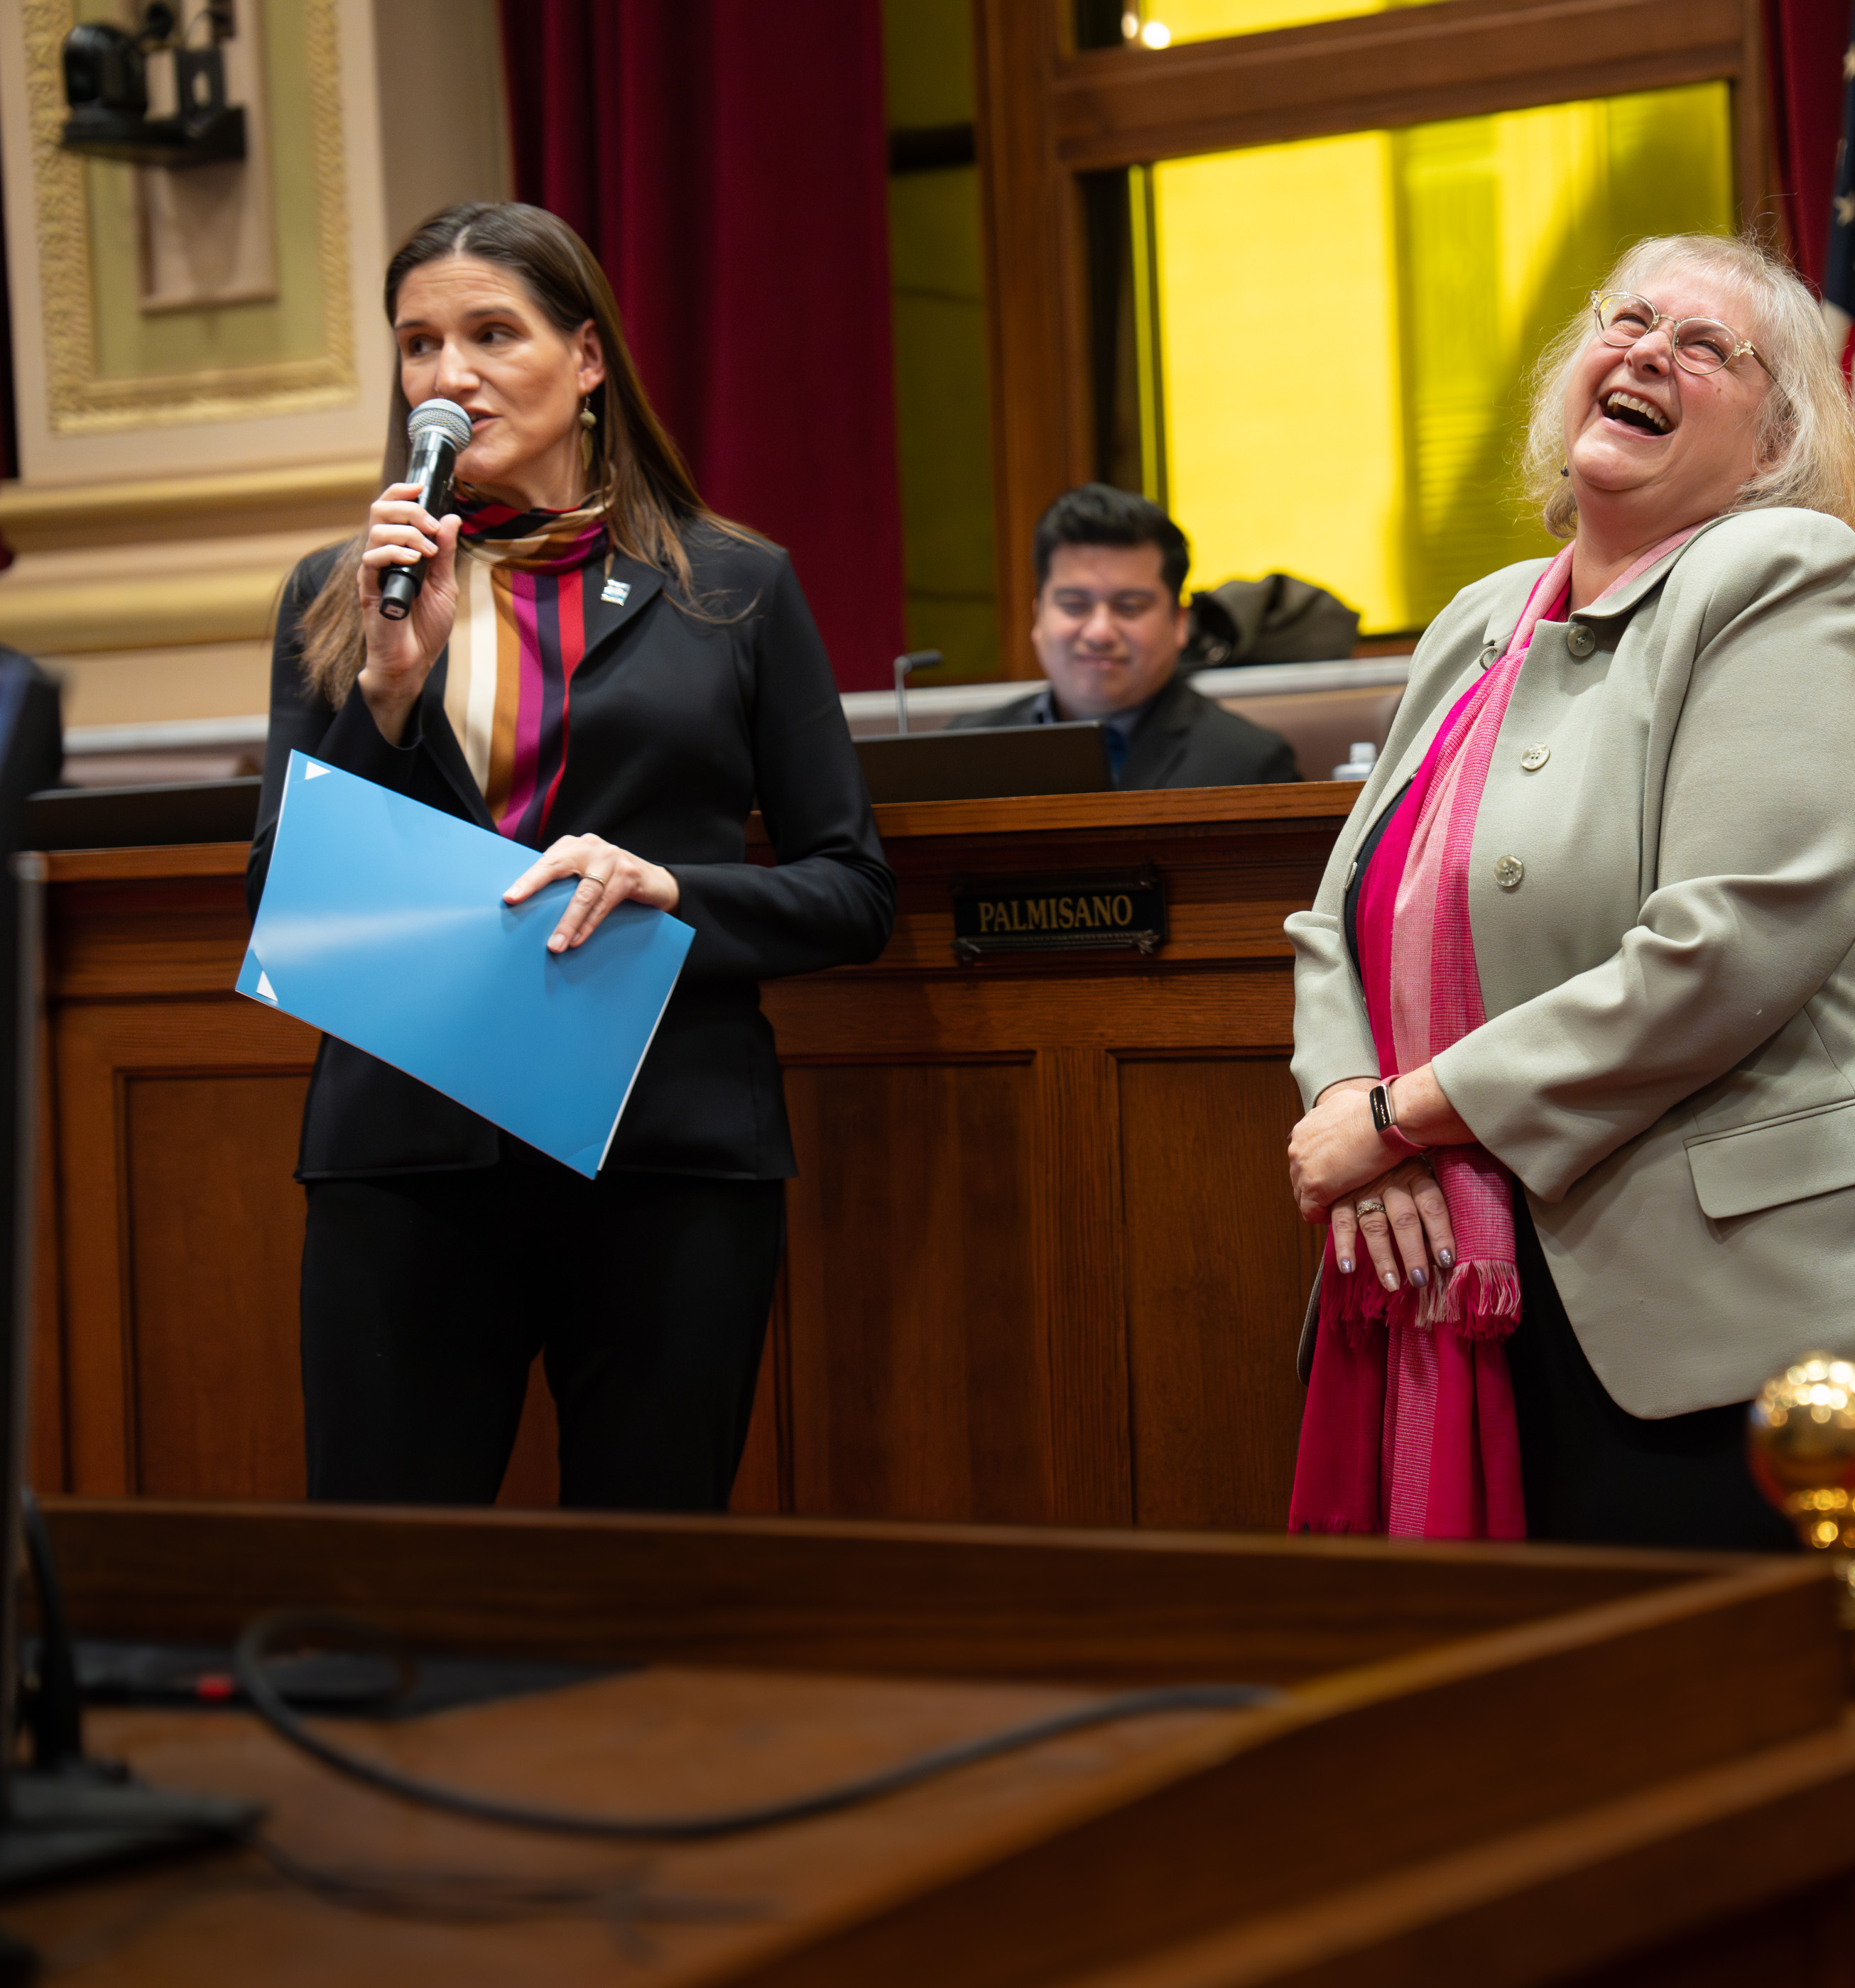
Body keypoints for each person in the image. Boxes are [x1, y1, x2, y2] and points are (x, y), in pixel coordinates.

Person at [1279, 233, 1855, 1549]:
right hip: (1489, 1278)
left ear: (1771, 449)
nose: (1645, 352)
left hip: (1769, 1299)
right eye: (1626, 322)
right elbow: (1335, 921)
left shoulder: (1782, 573)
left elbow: (1728, 943)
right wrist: (1350, 1111)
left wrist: (1407, 1118)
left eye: (1705, 348)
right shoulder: (1478, 619)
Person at [249, 202, 893, 1512]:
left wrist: (668, 891)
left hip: (664, 1149)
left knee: (642, 1579)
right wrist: (383, 686)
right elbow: (286, 892)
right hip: (410, 1151)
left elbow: (851, 888)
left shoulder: (731, 586)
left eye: (494, 333)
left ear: (588, 359)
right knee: (390, 1581)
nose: (451, 375)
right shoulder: (341, 592)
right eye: (421, 344)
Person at [950, 484, 1300, 787]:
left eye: (1130, 607)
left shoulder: (1250, 764)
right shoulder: (961, 752)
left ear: (1179, 623)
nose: (1100, 632)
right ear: (1038, 616)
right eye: (1074, 605)